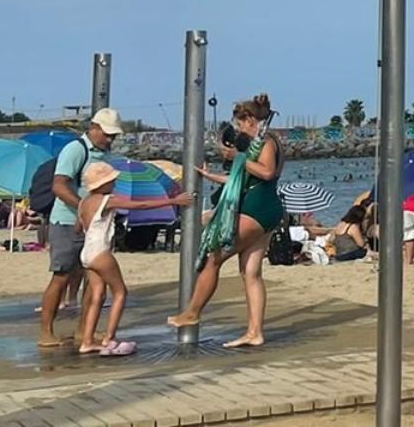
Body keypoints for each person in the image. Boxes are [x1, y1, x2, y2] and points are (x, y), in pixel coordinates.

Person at [166, 93, 284, 349]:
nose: (240, 129)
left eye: (242, 123)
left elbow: (266, 172)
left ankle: (193, 312)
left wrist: (238, 157)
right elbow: (239, 179)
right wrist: (211, 175)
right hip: (264, 209)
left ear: (251, 120)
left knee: (213, 258)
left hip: (257, 209)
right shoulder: (254, 145)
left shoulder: (265, 143)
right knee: (250, 273)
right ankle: (255, 332)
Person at [73, 161, 191, 356]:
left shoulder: (84, 202)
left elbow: (78, 228)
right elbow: (140, 205)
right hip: (100, 251)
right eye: (112, 180)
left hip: (86, 251)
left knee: (97, 295)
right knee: (120, 292)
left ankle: (87, 341)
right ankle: (109, 337)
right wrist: (173, 202)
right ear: (102, 184)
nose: (114, 183)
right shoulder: (107, 199)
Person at [38, 107, 121, 349]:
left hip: (91, 227)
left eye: (113, 136)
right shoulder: (77, 150)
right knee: (62, 276)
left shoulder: (105, 154)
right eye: (107, 134)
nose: (110, 139)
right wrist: (85, 207)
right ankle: (46, 332)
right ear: (94, 128)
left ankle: (84, 331)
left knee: (92, 279)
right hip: (66, 222)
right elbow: (59, 186)